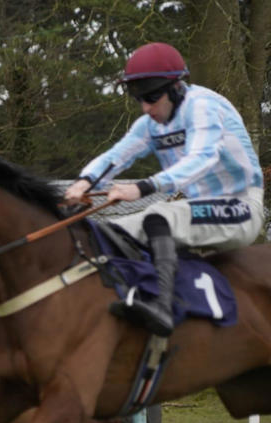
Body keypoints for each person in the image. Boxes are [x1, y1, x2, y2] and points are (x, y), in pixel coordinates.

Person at [64, 42, 264, 337]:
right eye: (139, 99)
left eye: (151, 98)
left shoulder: (203, 106)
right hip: (198, 210)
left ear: (176, 88)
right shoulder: (150, 125)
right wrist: (83, 183)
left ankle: (164, 307)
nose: (146, 108)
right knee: (108, 232)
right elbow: (116, 156)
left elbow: (201, 159)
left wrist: (143, 187)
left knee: (159, 216)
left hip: (240, 207)